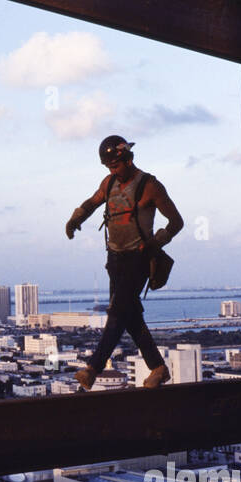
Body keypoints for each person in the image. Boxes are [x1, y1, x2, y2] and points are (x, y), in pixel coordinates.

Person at [66, 135, 184, 391]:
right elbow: (92, 202)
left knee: (117, 312)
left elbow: (177, 222)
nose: (113, 171)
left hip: (138, 258)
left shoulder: (150, 186)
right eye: (109, 167)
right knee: (130, 316)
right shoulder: (109, 183)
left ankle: (93, 368)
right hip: (114, 259)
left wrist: (155, 243)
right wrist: (76, 219)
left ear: (129, 159)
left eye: (116, 166)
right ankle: (159, 369)